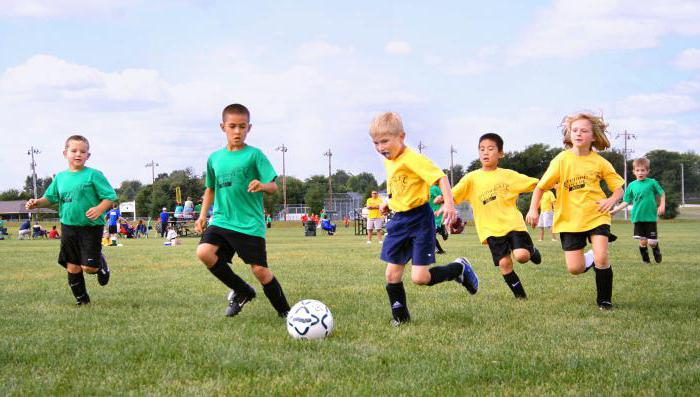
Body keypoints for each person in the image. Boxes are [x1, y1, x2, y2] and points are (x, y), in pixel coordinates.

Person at [369, 111, 479, 326]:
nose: (381, 147)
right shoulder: (389, 162)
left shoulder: (413, 159)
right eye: (376, 143)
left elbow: (440, 177)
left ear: (401, 137)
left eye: (385, 141)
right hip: (399, 221)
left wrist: (449, 204)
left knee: (420, 278)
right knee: (392, 274)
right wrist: (387, 202)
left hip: (419, 220)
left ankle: (459, 269)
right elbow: (399, 189)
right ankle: (401, 319)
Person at [194, 103, 291, 318]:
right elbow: (210, 189)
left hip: (249, 223)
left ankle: (286, 313)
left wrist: (262, 185)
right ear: (223, 127)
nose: (237, 131)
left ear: (249, 128)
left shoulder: (255, 155)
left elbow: (274, 187)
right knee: (204, 252)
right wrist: (202, 215)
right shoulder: (214, 158)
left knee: (259, 270)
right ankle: (242, 290)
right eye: (232, 126)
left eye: (242, 126)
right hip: (221, 219)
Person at [526, 112, 624, 310]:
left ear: (593, 136)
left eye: (584, 130)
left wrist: (611, 200)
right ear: (569, 134)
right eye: (575, 130)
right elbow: (540, 187)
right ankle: (592, 256)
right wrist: (532, 210)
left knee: (602, 257)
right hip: (569, 220)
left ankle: (604, 300)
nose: (578, 134)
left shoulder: (600, 162)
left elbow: (619, 189)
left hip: (597, 215)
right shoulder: (561, 160)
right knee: (575, 268)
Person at [26, 135, 116, 305]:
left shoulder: (93, 175)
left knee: (89, 268)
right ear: (65, 153)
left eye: (83, 151)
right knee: (72, 265)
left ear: (88, 156)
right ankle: (82, 301)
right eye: (74, 150)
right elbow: (50, 197)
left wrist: (99, 209)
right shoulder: (60, 177)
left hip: (90, 227)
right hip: (68, 226)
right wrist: (37, 202)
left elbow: (110, 197)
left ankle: (100, 262)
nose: (78, 154)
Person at [451, 133, 541, 300]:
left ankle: (531, 250)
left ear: (500, 153)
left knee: (521, 256)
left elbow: (537, 184)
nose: (485, 152)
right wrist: (443, 198)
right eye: (482, 149)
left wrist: (553, 182)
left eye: (491, 149)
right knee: (504, 263)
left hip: (513, 224)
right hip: (490, 229)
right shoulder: (471, 178)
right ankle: (521, 297)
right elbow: (454, 194)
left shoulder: (508, 175)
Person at [610, 157, 665, 263]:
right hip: (637, 217)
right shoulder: (631, 185)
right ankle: (646, 260)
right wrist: (615, 211)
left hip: (650, 217)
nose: (640, 172)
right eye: (638, 170)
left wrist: (662, 205)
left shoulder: (652, 182)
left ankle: (656, 250)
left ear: (648, 171)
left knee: (652, 242)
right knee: (643, 242)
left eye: (643, 170)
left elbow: (662, 193)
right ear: (634, 171)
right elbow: (626, 201)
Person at [429, 183, 448, 254]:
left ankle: (441, 229)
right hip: (429, 216)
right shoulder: (424, 188)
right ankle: (440, 251)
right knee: (429, 234)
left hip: (436, 215)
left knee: (429, 233)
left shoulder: (434, 188)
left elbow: (443, 199)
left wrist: (441, 209)